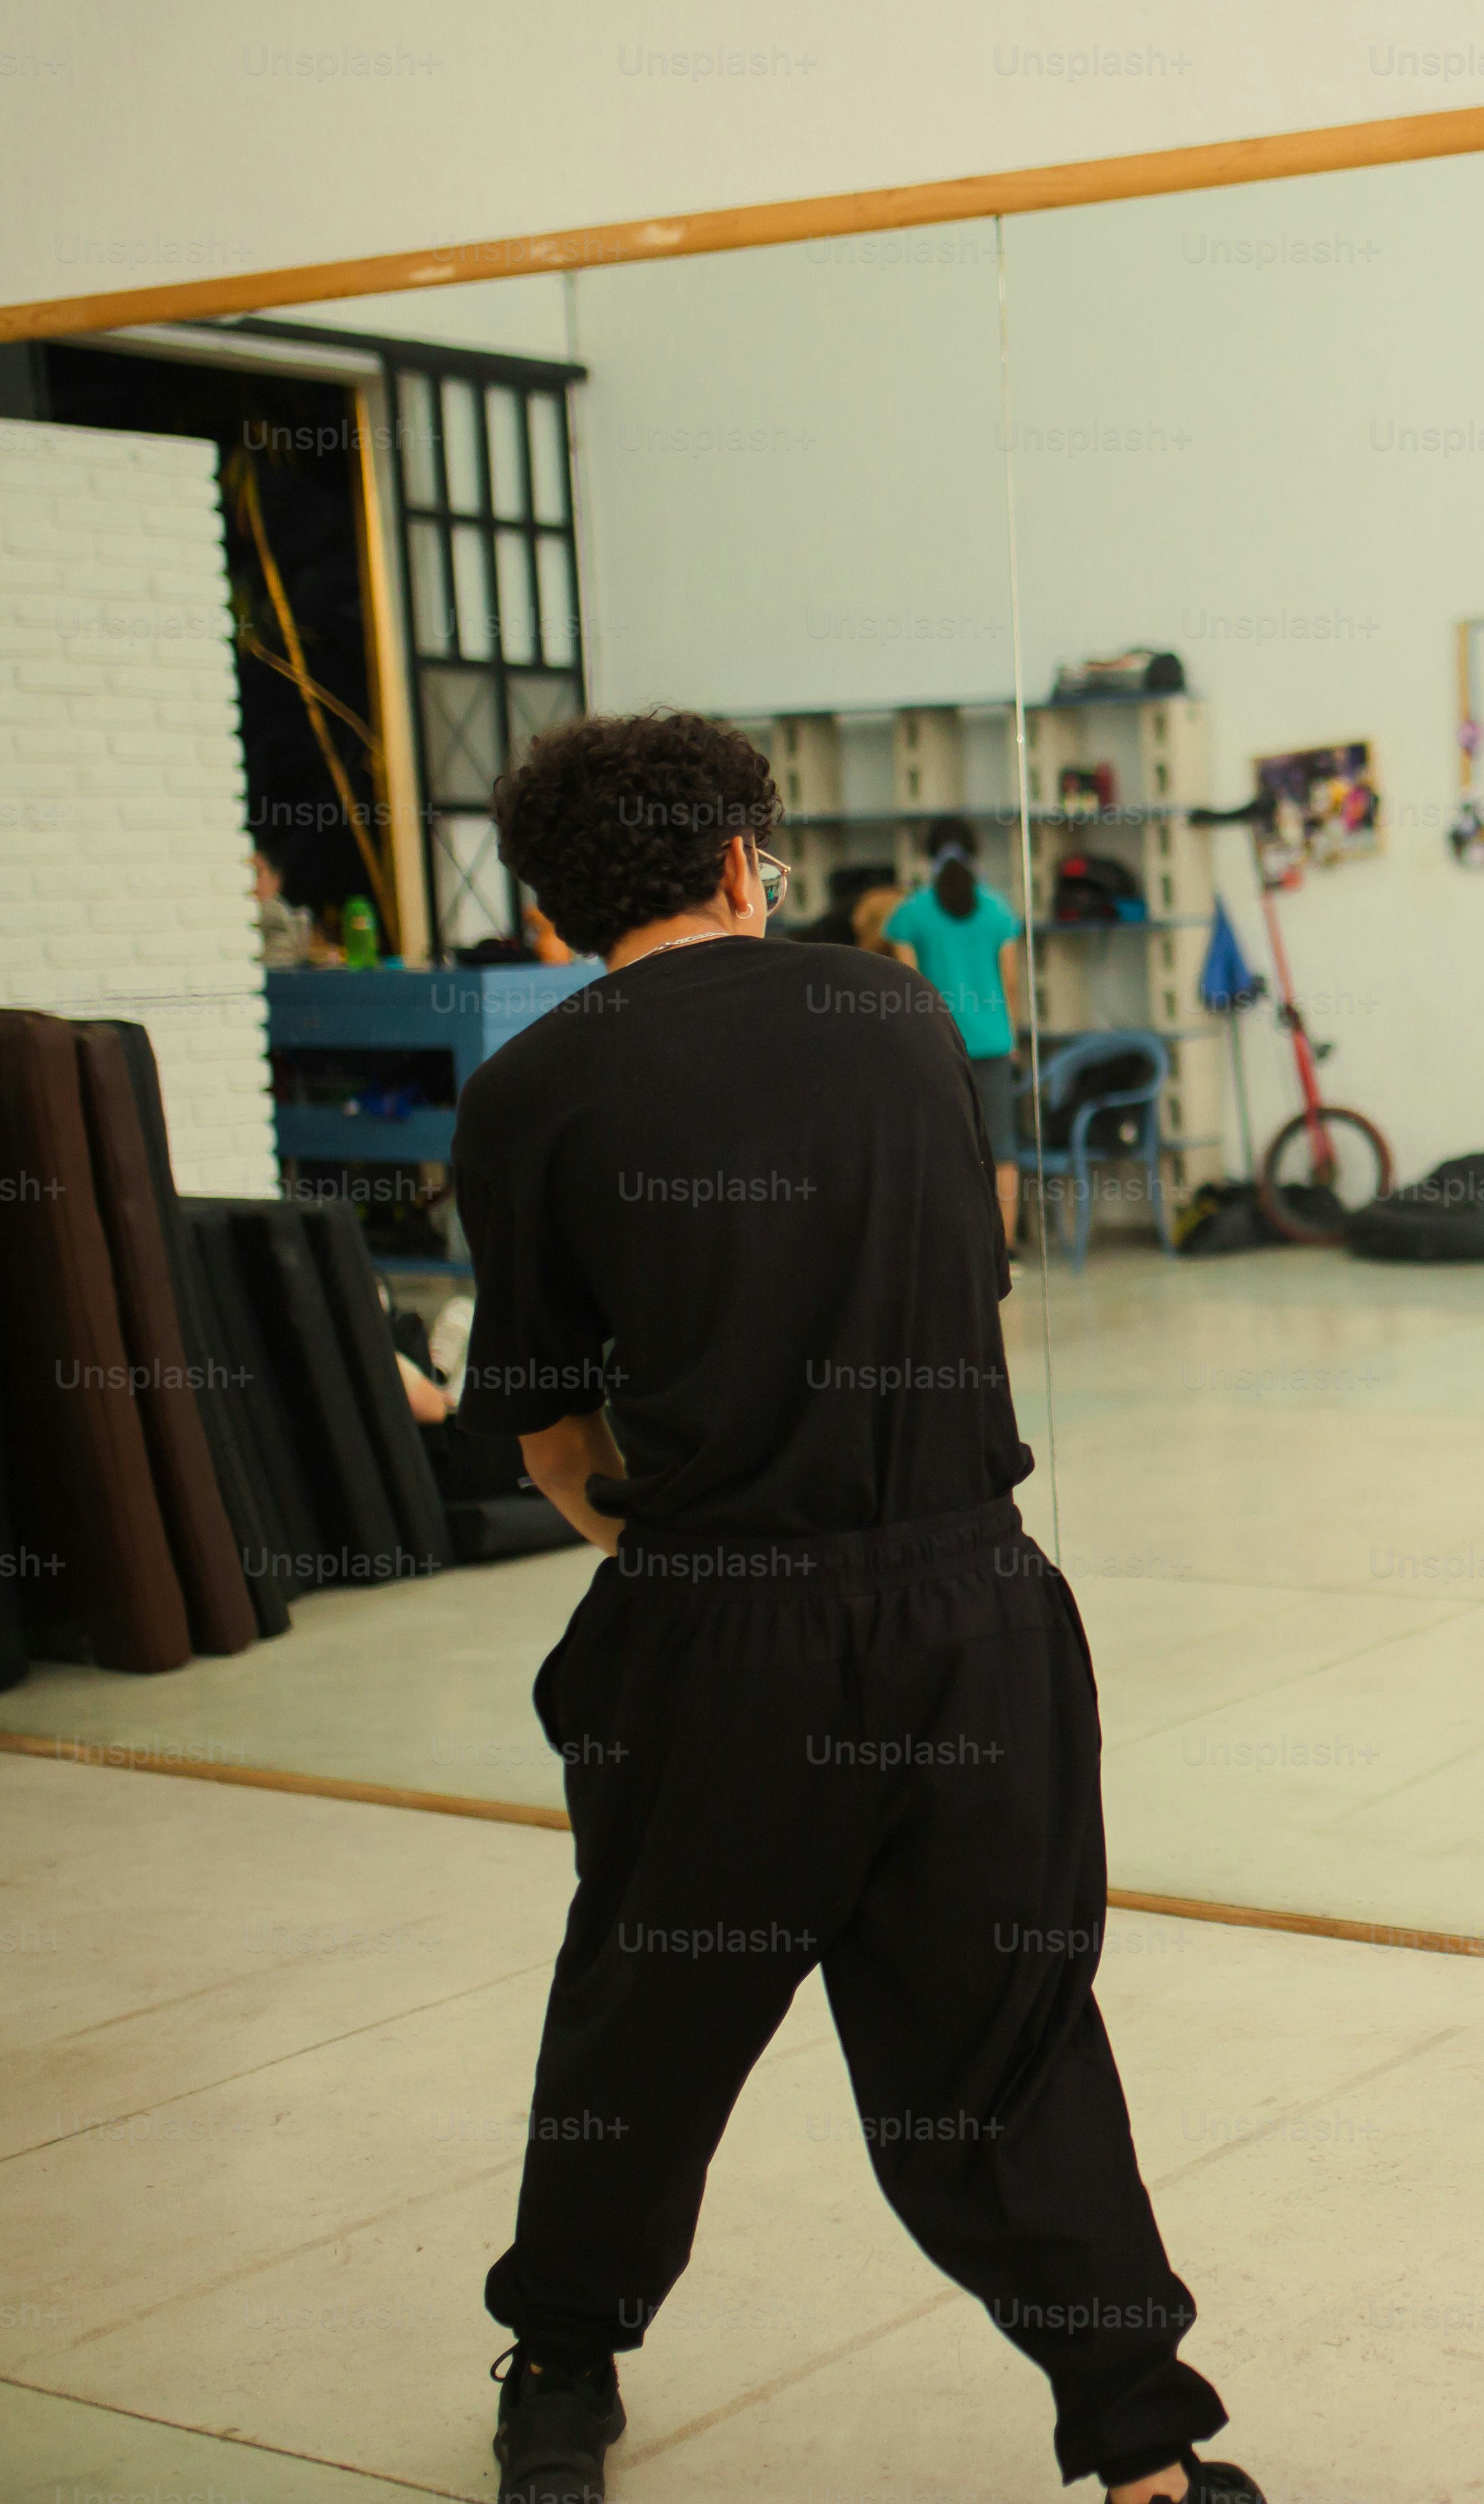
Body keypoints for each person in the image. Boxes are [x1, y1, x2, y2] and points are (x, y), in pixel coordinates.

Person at [450, 713, 1259, 2504]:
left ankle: (561, 2382)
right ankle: (1146, 2453)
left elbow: (548, 1425)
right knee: (1011, 2050)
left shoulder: (527, 1094)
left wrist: (663, 1552)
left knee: (644, 2030)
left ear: (560, 907)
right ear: (744, 862)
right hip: (973, 1611)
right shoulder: (895, 1015)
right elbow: (966, 1272)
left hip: (722, 1632)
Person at [885, 826, 1032, 1251]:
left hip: (937, 1045)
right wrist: (1012, 1037)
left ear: (927, 857)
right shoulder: (997, 909)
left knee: (943, 1146)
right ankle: (1006, 1248)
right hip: (993, 1042)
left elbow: (907, 987)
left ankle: (952, 1246)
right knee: (1002, 1148)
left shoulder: (912, 912)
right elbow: (1010, 982)